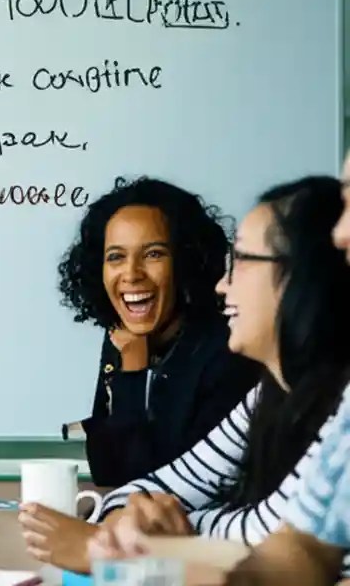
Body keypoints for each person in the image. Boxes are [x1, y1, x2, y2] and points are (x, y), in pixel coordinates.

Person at [82, 175, 350, 581]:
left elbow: (273, 538)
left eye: (241, 261)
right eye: (115, 256)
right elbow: (125, 484)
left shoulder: (227, 355)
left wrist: (160, 534)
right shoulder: (267, 393)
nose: (223, 286)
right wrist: (136, 520)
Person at [21, 177, 261, 570]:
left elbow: (160, 490)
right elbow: (109, 472)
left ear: (185, 262)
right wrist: (129, 364)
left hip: (191, 554)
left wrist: (132, 373)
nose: (131, 274)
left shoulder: (227, 350)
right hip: (141, 545)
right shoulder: (127, 336)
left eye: (152, 254)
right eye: (115, 257)